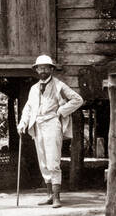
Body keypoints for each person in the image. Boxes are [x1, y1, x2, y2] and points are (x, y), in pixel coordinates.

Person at [17, 54, 83, 207]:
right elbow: (28, 108)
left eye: (46, 67)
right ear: (37, 70)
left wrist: (62, 111)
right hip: (38, 125)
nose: (43, 70)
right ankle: (49, 195)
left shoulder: (59, 85)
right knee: (43, 162)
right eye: (40, 68)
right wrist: (22, 123)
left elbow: (77, 99)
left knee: (53, 160)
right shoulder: (34, 89)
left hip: (52, 123)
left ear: (51, 69)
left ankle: (57, 197)